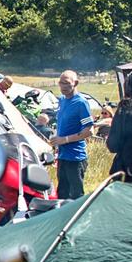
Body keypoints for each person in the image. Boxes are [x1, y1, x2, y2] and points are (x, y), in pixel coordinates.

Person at [52, 69, 92, 199]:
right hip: (63, 155)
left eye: (66, 83)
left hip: (75, 157)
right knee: (62, 193)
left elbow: (89, 131)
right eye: (60, 83)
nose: (63, 86)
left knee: (76, 195)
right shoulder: (62, 100)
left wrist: (65, 139)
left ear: (75, 83)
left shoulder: (81, 102)